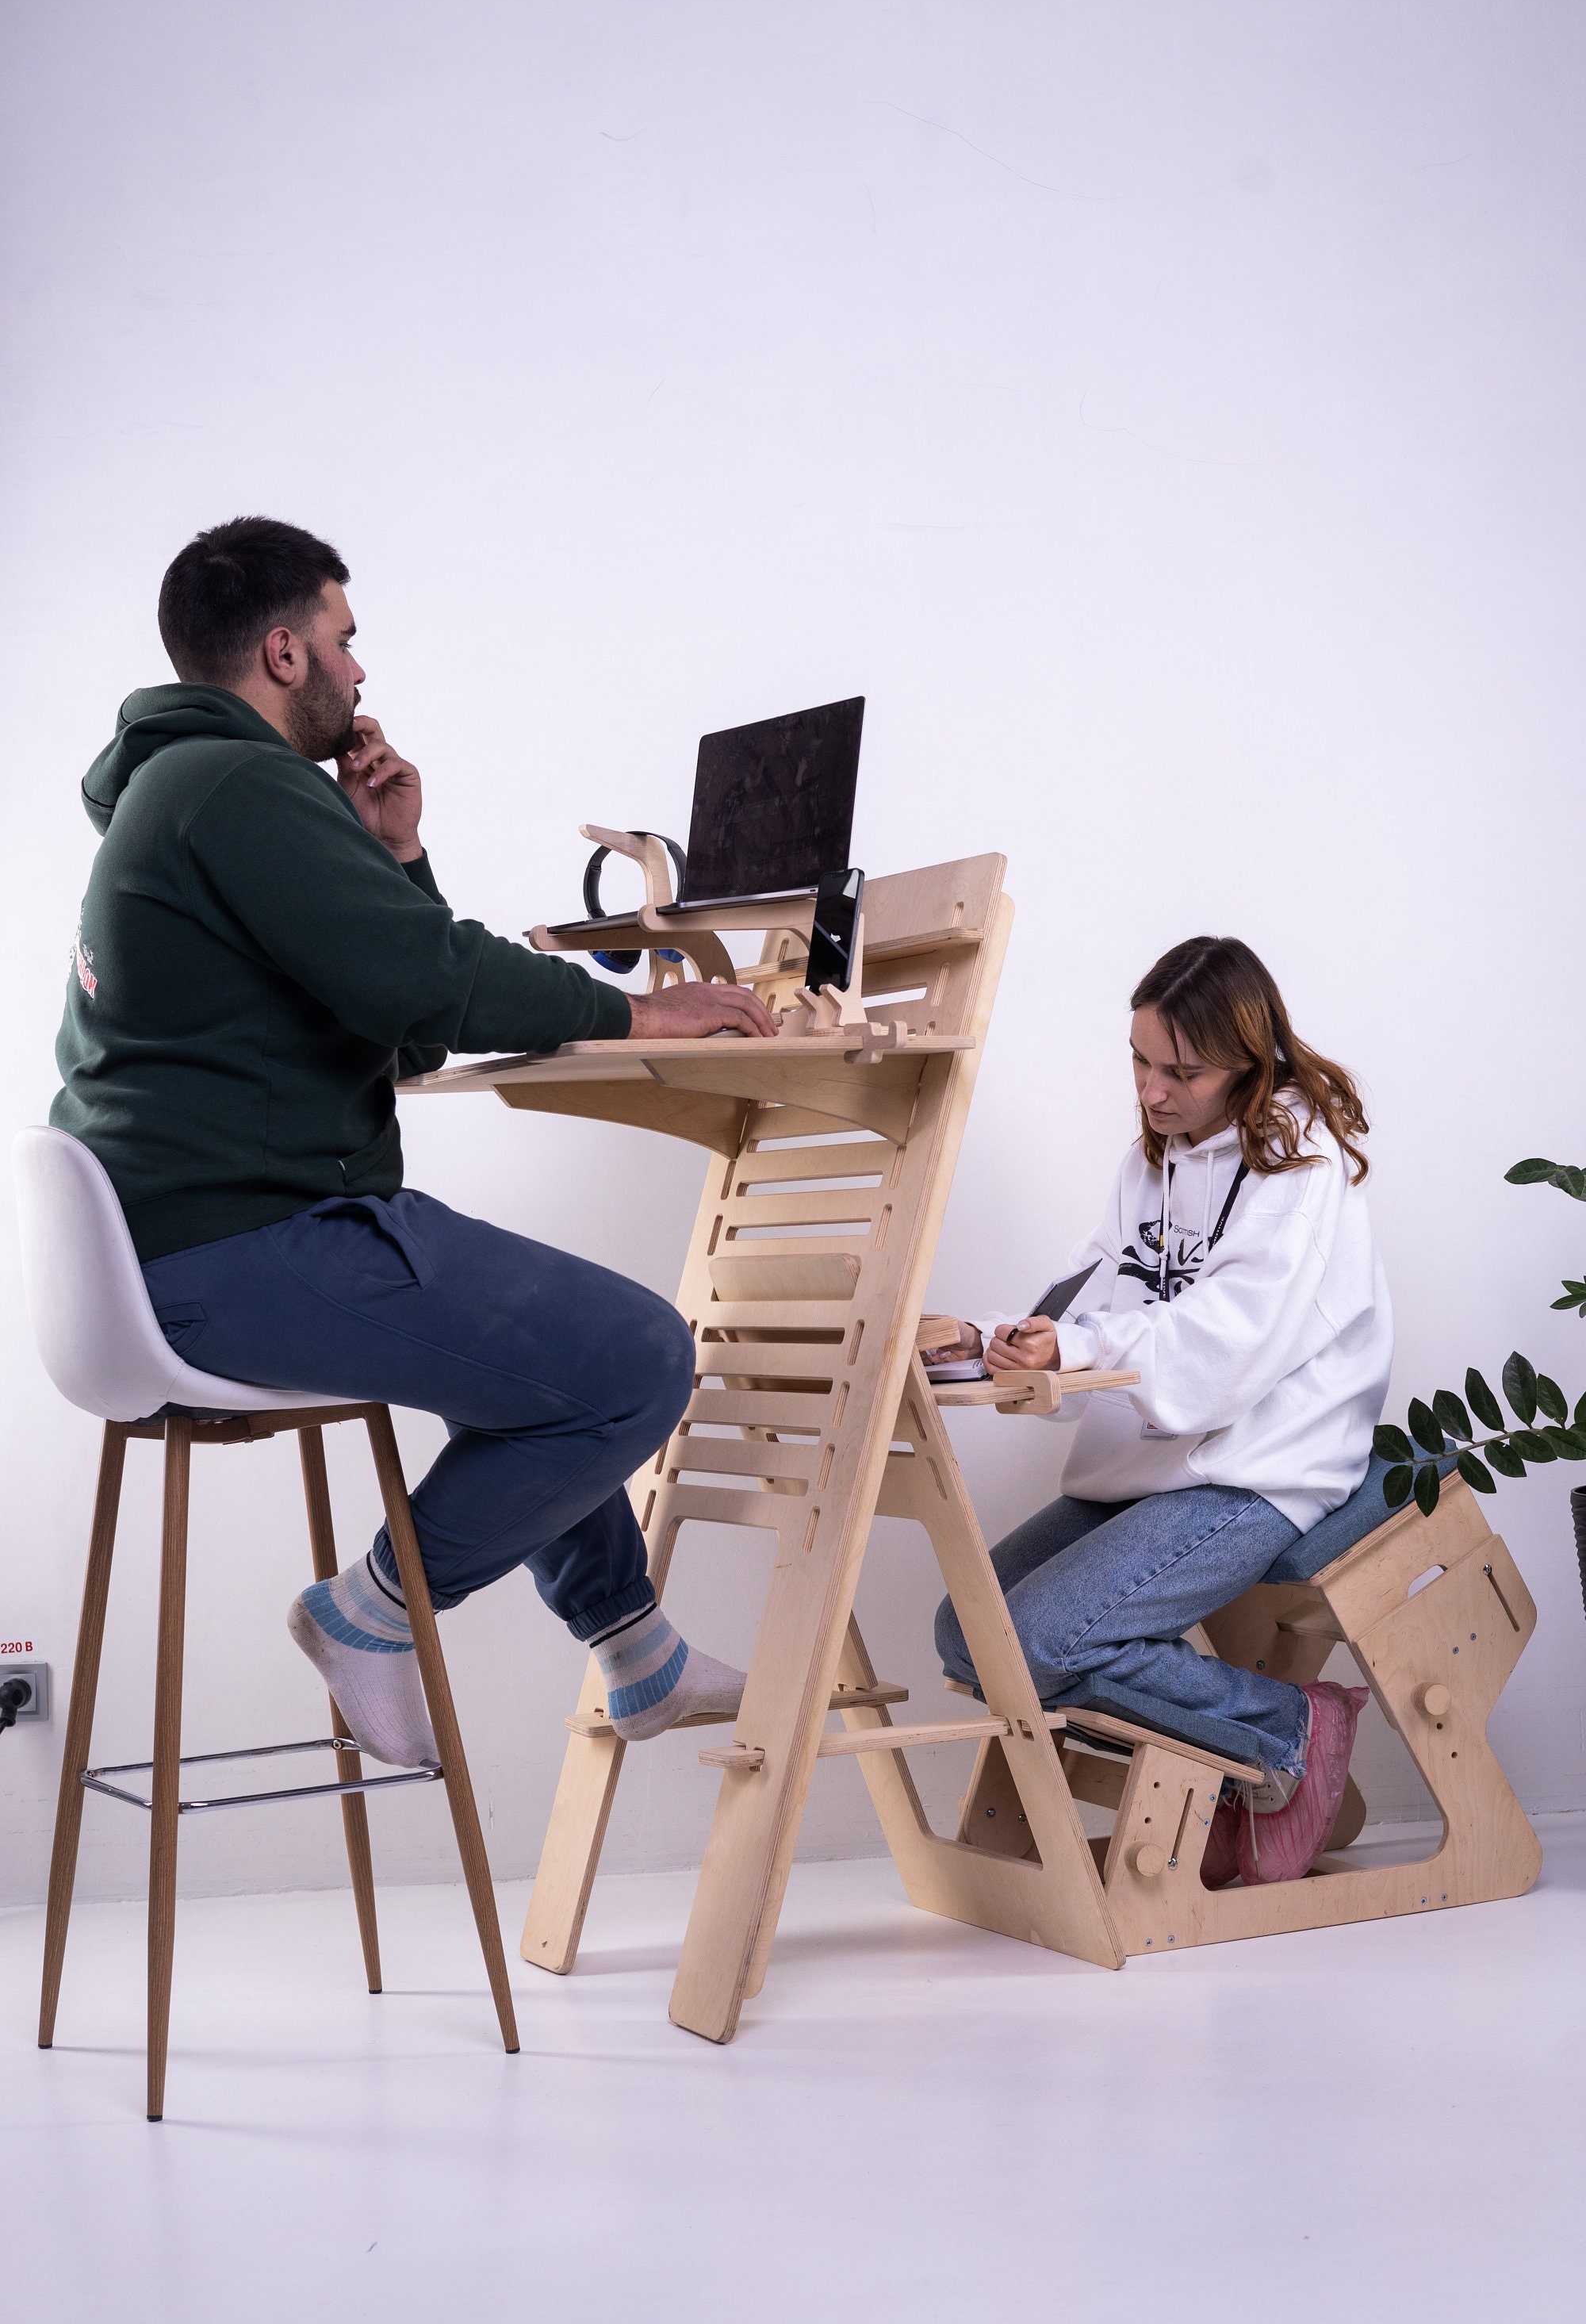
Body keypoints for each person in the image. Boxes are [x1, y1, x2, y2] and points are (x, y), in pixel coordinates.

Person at [52, 516, 778, 1767]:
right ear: (284, 653)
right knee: (638, 1359)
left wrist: (396, 854)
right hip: (240, 1243)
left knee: (532, 1363)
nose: (360, 670)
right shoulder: (237, 785)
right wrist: (642, 1009)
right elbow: (426, 986)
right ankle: (369, 1612)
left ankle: (637, 1651)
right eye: (344, 637)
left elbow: (399, 1034)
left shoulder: (194, 791)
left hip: (193, 1244)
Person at [925, 936, 1392, 1887]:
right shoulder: (1157, 1159)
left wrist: (1084, 1348)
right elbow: (1092, 1292)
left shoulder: (1298, 1168)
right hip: (1153, 1461)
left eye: (1182, 1071)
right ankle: (1251, 1757)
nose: (1150, 1090)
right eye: (1138, 1059)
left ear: (1250, 1065)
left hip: (1259, 1463)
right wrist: (987, 1338)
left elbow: (1226, 1348)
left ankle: (1291, 1729)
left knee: (1040, 1640)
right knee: (965, 1632)